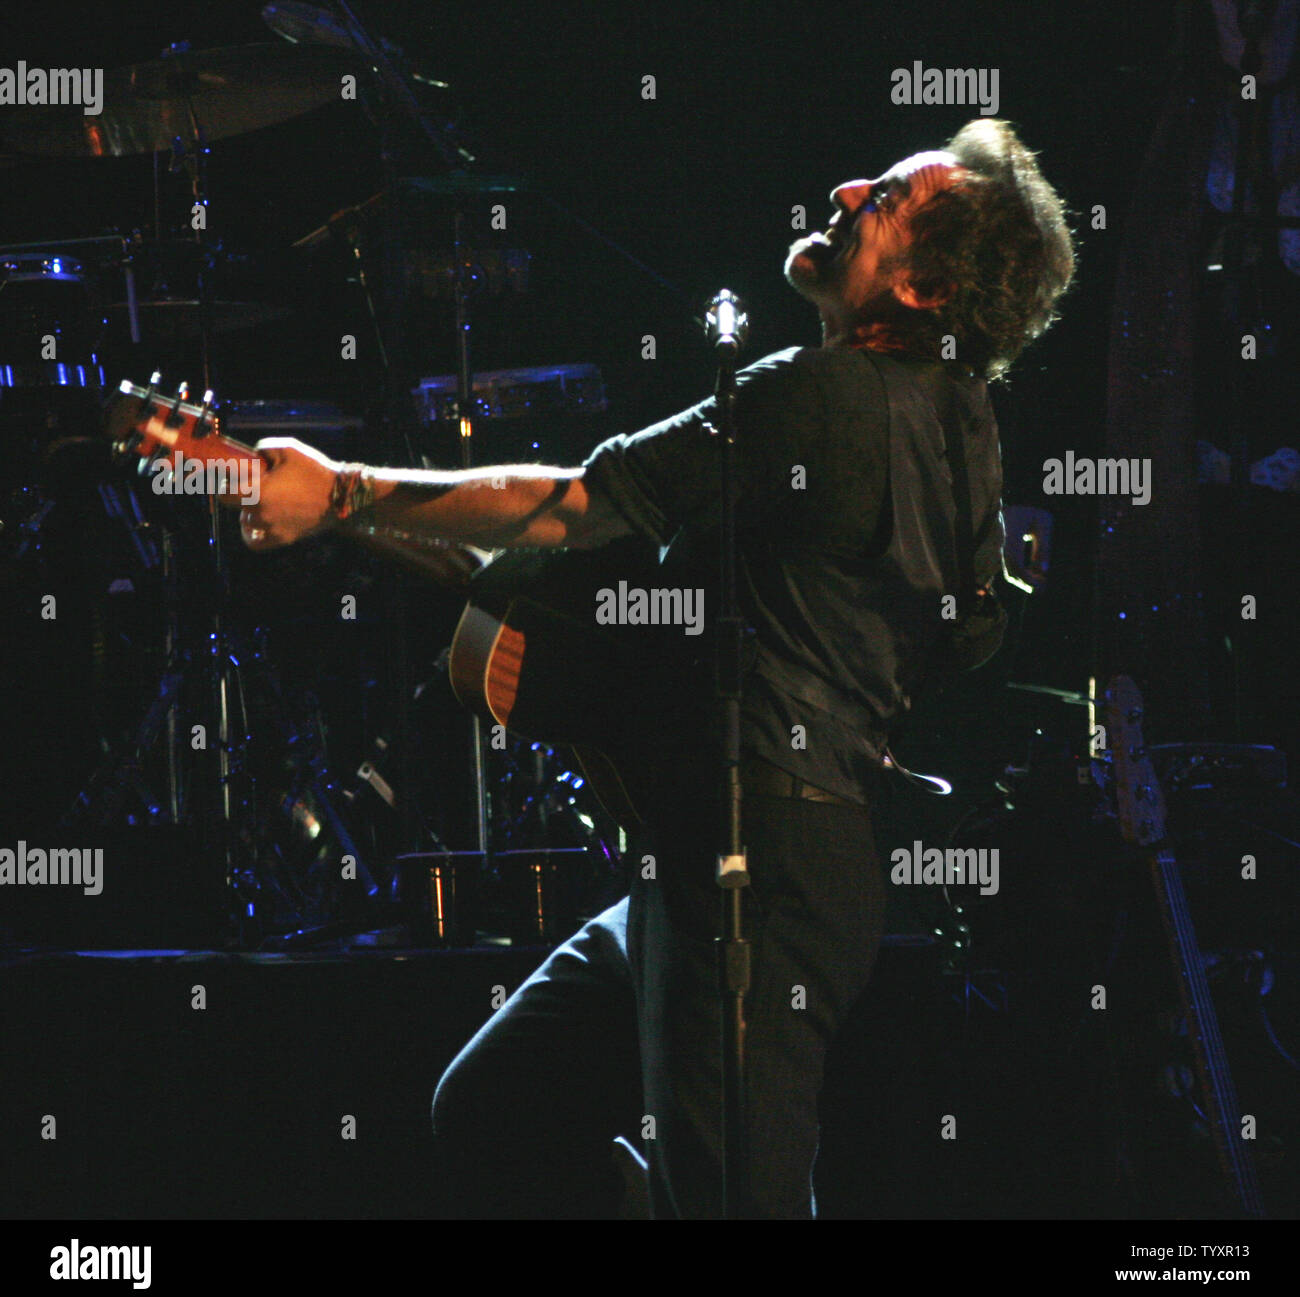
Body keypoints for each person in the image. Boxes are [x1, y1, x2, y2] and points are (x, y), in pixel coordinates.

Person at [236, 117, 1074, 1218]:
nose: (846, 182)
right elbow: (973, 632)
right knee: (500, 1101)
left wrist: (342, 485)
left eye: (883, 200)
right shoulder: (969, 426)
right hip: (749, 857)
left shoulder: (811, 393)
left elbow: (577, 502)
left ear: (920, 288)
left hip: (756, 866)